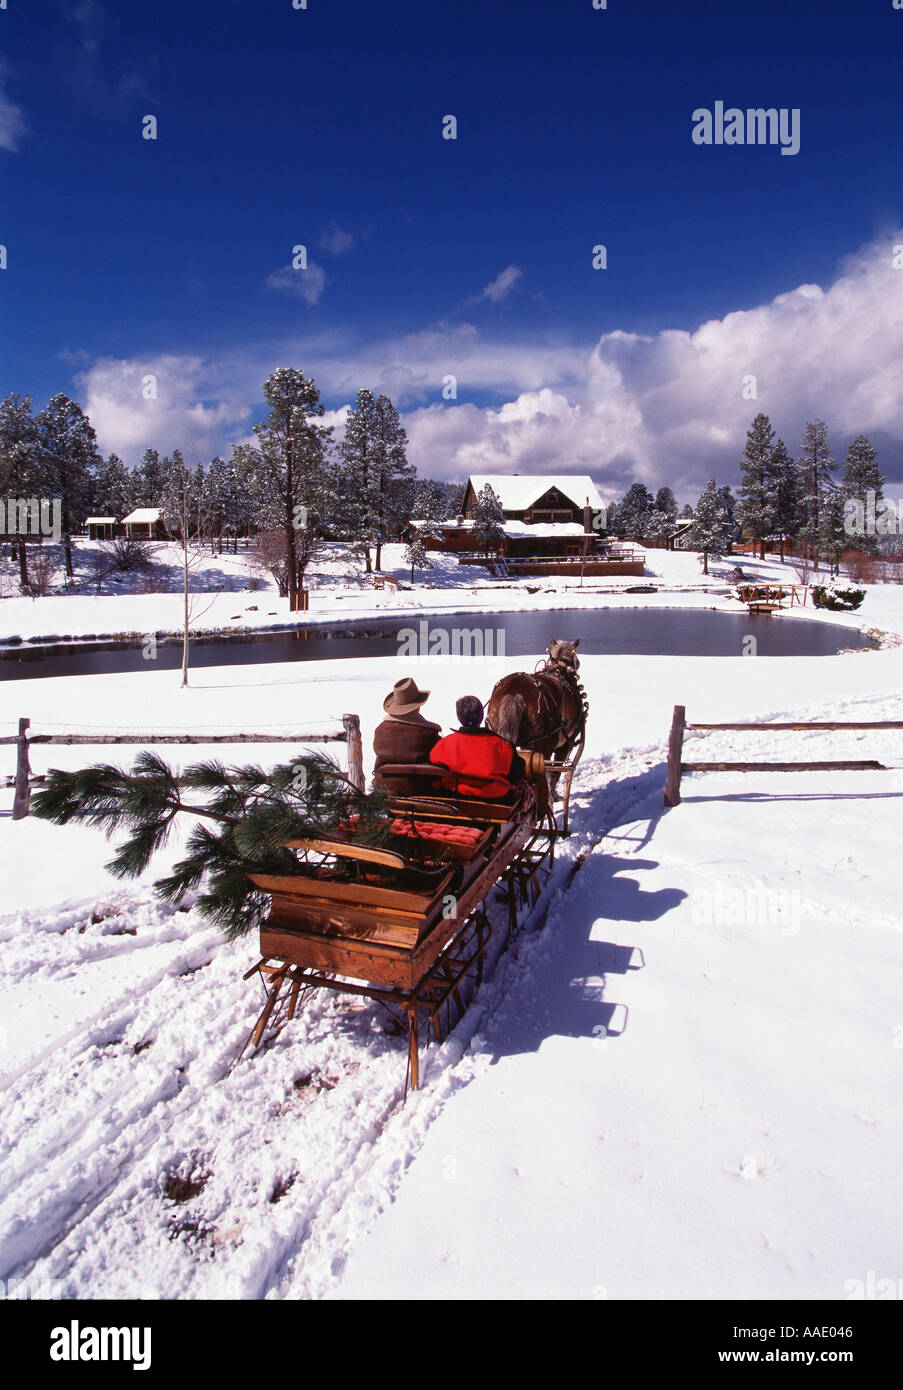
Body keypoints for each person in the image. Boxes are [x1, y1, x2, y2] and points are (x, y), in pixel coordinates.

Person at [429, 696, 525, 799]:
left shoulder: (444, 744)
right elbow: (516, 775)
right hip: (494, 801)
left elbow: (434, 772)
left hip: (454, 797)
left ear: (459, 717)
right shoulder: (502, 745)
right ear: (482, 715)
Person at [372, 678, 442, 795]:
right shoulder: (428, 734)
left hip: (383, 791)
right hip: (418, 791)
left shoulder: (380, 730)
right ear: (418, 706)